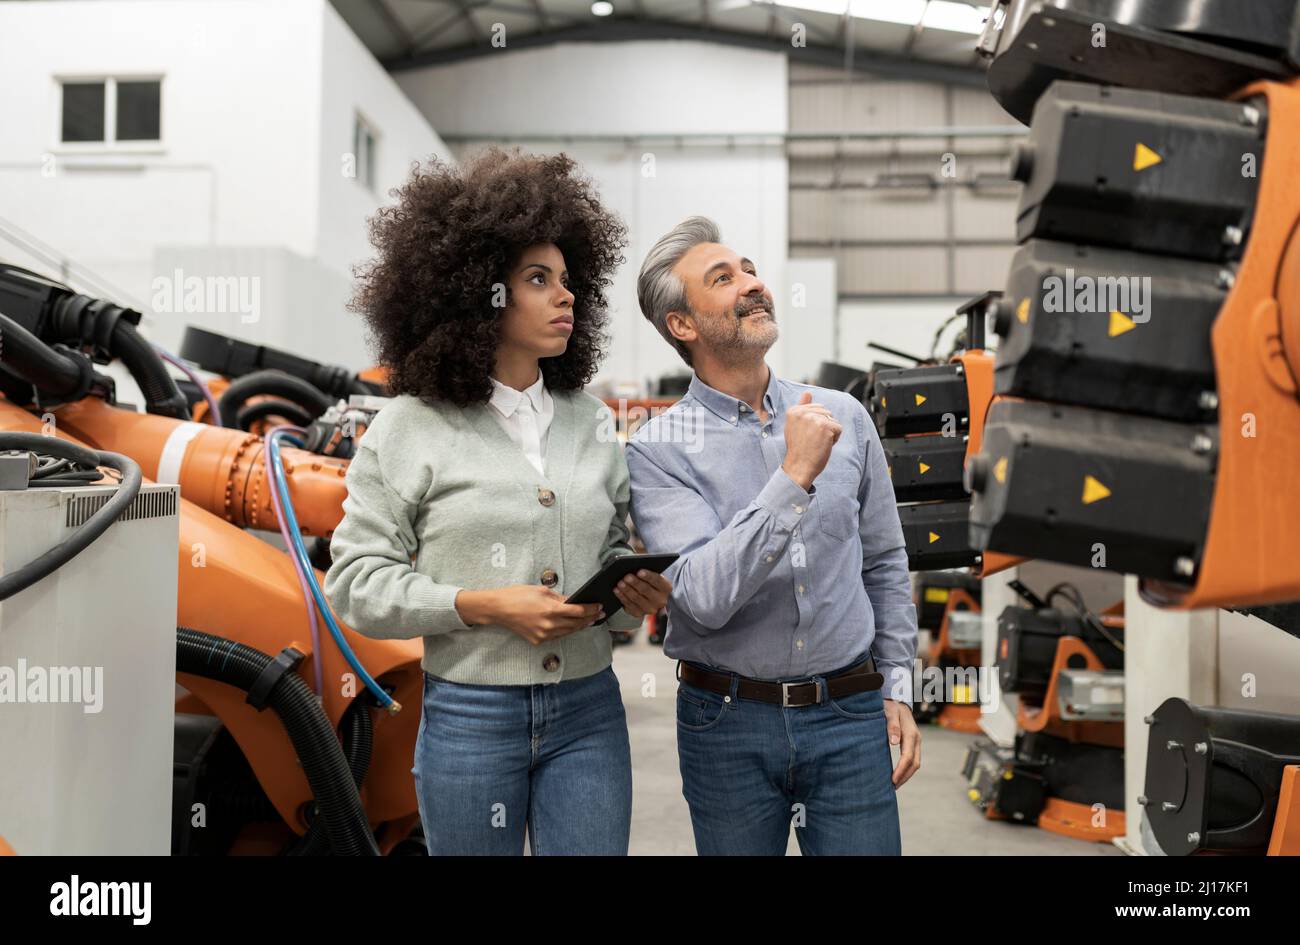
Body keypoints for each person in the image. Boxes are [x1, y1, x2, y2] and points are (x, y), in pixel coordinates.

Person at [324, 148, 671, 855]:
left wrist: (627, 587)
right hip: (471, 717)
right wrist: (484, 605)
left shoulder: (592, 420)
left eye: (568, 280)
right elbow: (355, 585)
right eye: (537, 280)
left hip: (588, 711)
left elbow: (606, 549)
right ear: (478, 292)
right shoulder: (407, 428)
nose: (565, 296)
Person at [625, 216, 920, 856]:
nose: (751, 285)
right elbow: (702, 595)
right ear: (683, 325)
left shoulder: (844, 414)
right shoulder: (658, 450)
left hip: (849, 712)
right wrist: (795, 474)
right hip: (726, 722)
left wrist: (898, 685)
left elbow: (886, 561)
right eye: (723, 279)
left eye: (750, 269)